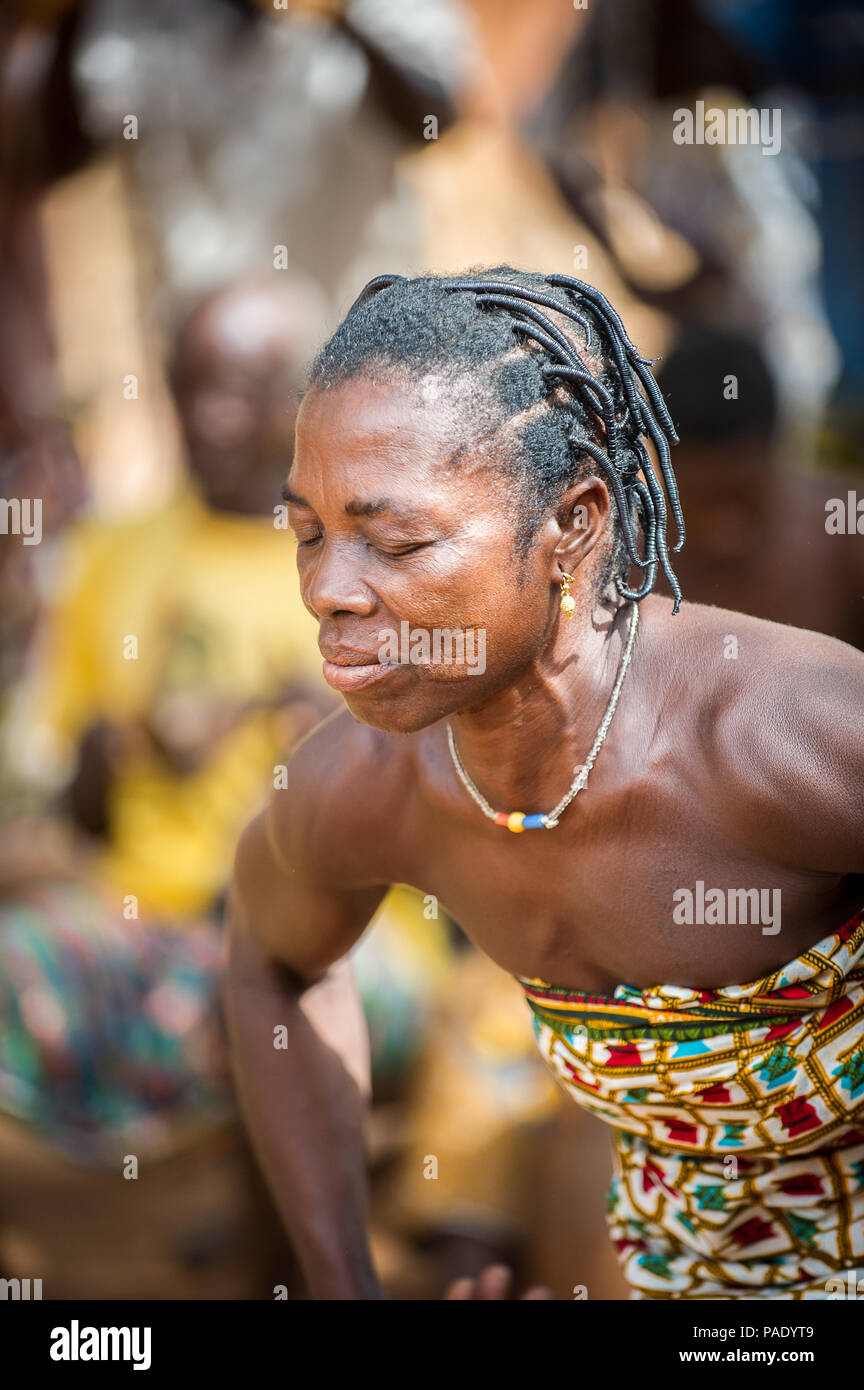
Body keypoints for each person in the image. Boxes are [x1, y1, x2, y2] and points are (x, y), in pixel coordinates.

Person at [225, 267, 864, 1301]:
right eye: (307, 531)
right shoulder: (369, 788)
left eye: (396, 542)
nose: (329, 591)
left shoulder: (778, 741)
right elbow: (271, 964)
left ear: (572, 523)